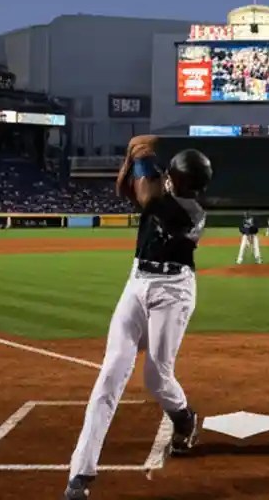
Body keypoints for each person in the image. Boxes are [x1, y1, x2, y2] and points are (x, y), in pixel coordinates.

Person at [64, 136, 212, 500]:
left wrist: (141, 154)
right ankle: (79, 476)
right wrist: (133, 158)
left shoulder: (191, 212)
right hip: (137, 282)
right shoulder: (164, 188)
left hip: (173, 292)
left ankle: (183, 416)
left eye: (174, 178)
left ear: (182, 183)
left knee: (157, 377)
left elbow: (147, 198)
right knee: (110, 373)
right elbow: (126, 188)